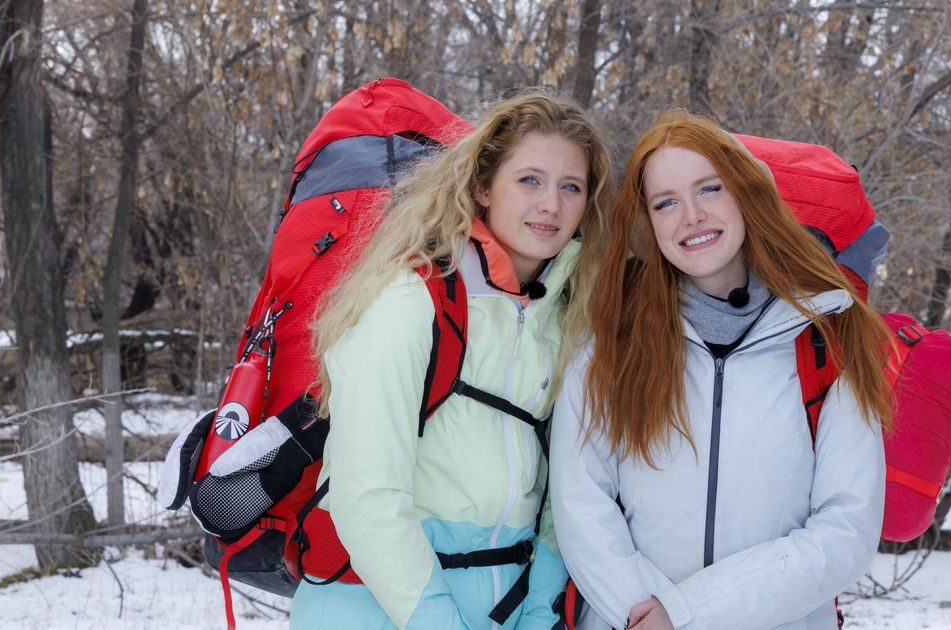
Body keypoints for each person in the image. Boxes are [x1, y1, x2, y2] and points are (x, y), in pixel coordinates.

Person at [550, 112, 893, 630]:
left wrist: (688, 615)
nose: (691, 216)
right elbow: (582, 506)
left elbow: (845, 531)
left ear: (747, 194)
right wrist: (646, 620)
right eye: (666, 202)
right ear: (648, 223)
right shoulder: (610, 346)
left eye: (709, 189)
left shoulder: (828, 342)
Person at [292, 91, 613, 630]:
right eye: (529, 179)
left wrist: (538, 614)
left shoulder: (570, 320)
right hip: (371, 610)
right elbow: (367, 494)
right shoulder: (410, 299)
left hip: (504, 610)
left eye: (571, 187)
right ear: (483, 187)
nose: (550, 205)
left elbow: (567, 495)